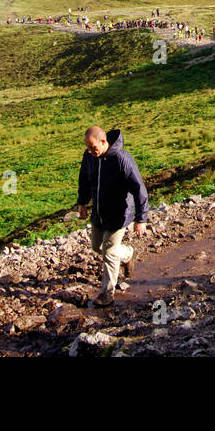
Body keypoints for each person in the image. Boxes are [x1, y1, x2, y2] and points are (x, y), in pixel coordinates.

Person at [76, 125, 149, 307]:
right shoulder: (89, 157)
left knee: (109, 251)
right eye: (88, 147)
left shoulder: (121, 159)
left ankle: (107, 294)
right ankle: (128, 254)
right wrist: (82, 203)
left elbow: (139, 188)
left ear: (103, 142)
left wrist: (141, 219)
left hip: (119, 214)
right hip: (100, 213)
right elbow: (84, 179)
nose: (90, 151)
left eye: (93, 147)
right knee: (96, 246)